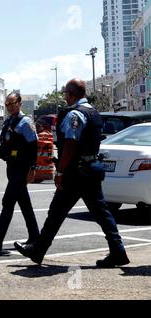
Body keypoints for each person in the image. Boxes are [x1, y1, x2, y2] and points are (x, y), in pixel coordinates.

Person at [15, 79, 130, 268]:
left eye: (65, 94)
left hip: (75, 172)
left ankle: (38, 250)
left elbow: (70, 144)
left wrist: (60, 171)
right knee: (101, 213)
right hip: (91, 168)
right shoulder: (93, 112)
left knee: (56, 212)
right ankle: (118, 251)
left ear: (70, 94)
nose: (64, 98)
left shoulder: (74, 114)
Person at [0, 93, 39, 251]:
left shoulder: (25, 122)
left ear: (20, 103)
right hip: (12, 168)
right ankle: (34, 238)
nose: (9, 107)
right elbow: (3, 147)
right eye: (7, 104)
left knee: (7, 202)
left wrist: (33, 169)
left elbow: (34, 147)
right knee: (24, 205)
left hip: (21, 169)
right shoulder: (8, 122)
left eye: (12, 103)